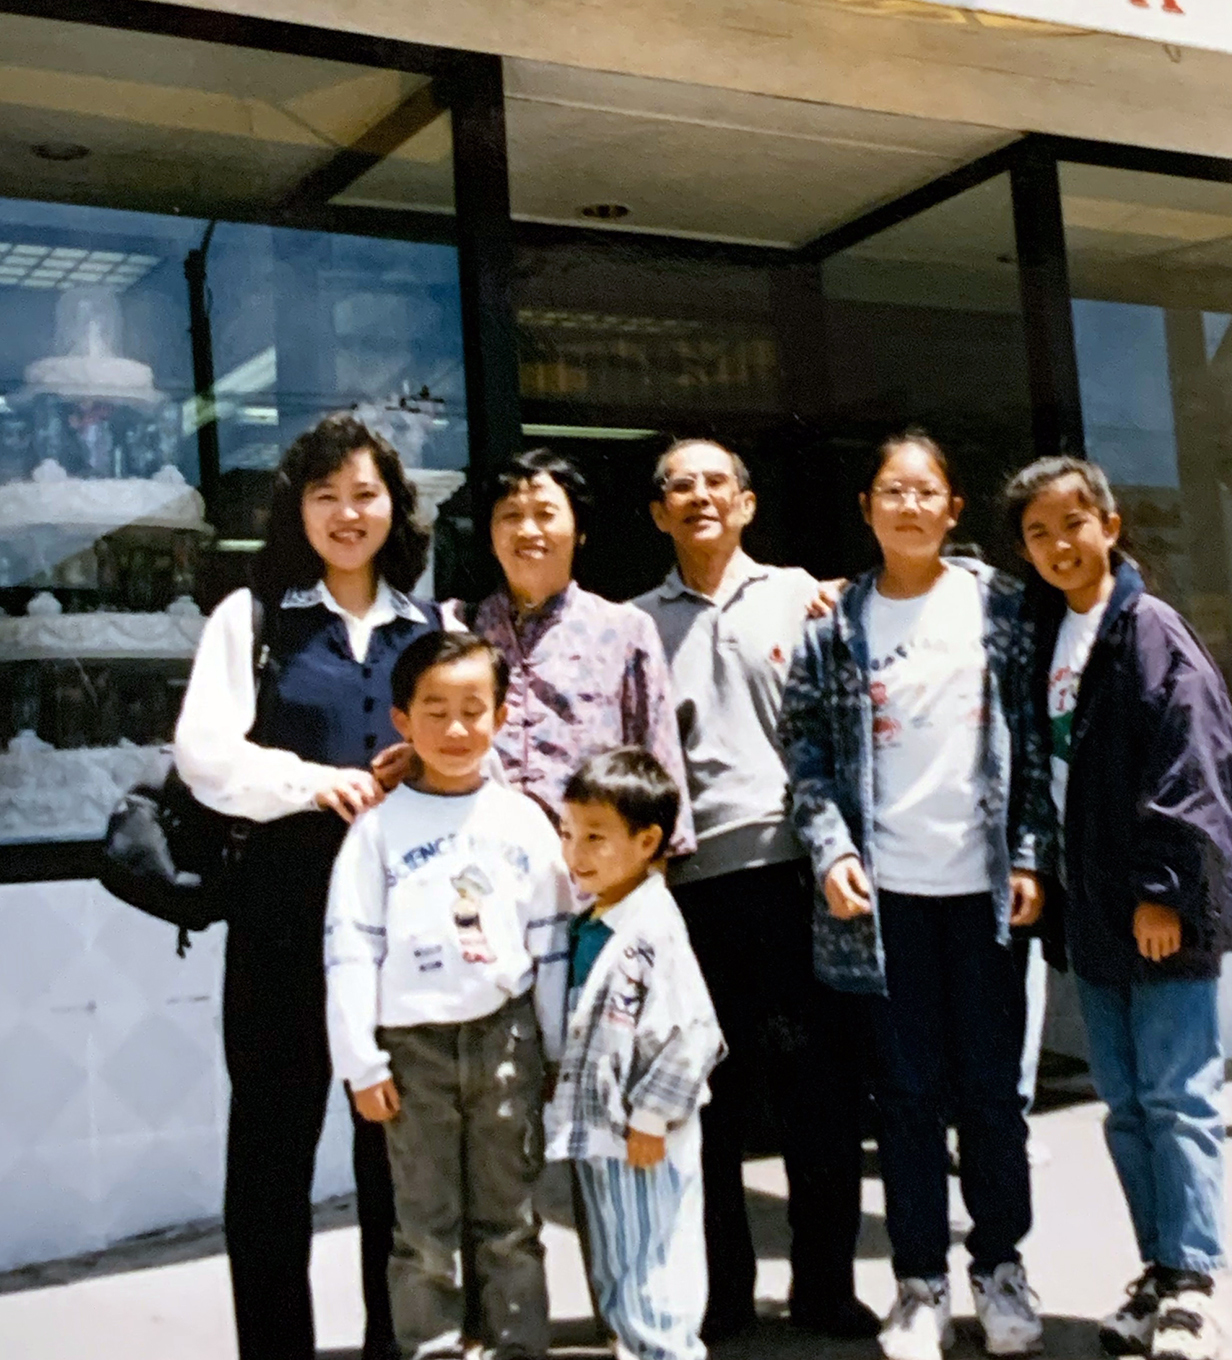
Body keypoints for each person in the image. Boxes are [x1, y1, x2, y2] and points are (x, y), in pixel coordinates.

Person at [175, 413, 451, 1360]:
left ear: (394, 507)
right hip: (282, 915)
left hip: (402, 929)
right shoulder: (250, 618)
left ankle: (394, 1345)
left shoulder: (434, 628)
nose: (347, 513)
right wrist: (310, 783)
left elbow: (471, 753)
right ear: (297, 509)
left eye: (365, 494)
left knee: (396, 1162)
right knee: (270, 1155)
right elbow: (205, 755)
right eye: (325, 495)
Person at [780, 432, 1055, 1360]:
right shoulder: (833, 627)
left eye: (924, 491)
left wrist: (1029, 855)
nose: (908, 506)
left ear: (952, 508)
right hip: (885, 901)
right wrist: (829, 850)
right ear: (866, 509)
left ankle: (1001, 1270)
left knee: (992, 1097)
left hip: (983, 895)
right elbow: (806, 755)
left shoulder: (1002, 607)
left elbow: (1031, 746)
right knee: (904, 1097)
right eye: (890, 492)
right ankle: (919, 1283)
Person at [1006, 457, 1232, 1360]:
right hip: (1094, 913)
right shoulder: (1051, 634)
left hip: (1155, 909)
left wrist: (1165, 891)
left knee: (1177, 1097)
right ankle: (1158, 1268)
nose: (1058, 546)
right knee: (1127, 1106)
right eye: (1038, 533)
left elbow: (1191, 765)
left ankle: (1193, 1282)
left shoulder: (1149, 630)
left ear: (1109, 526)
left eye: (1073, 524)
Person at [633, 438, 873, 1339]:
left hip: (799, 876)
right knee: (711, 1100)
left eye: (716, 483)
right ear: (658, 514)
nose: (699, 496)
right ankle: (722, 1293)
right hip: (691, 890)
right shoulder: (635, 625)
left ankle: (825, 1286)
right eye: (679, 486)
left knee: (821, 1092)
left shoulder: (803, 597)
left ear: (746, 503)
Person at [325, 630, 565, 1360]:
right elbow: (350, 949)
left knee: (511, 1221)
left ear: (502, 715)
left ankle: (518, 1346)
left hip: (506, 1040)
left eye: (473, 710)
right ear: (401, 720)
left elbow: (550, 942)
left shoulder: (524, 821)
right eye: (435, 712)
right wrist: (360, 1062)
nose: (456, 730)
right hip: (411, 1055)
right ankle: (429, 1345)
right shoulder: (376, 832)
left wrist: (555, 1047)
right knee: (424, 1231)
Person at [551, 747, 726, 1360]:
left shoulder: (653, 930)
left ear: (648, 841)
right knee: (617, 1255)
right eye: (567, 833)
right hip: (605, 1126)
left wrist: (653, 1114)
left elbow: (695, 1031)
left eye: (595, 837)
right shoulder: (595, 917)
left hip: (643, 1131)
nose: (575, 853)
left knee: (654, 1259)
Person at [472, 449, 690, 839]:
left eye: (545, 514)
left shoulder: (625, 630)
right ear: (490, 536)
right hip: (482, 854)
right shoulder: (459, 628)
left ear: (579, 530)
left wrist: (659, 860)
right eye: (511, 516)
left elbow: (657, 756)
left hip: (593, 860)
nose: (528, 530)